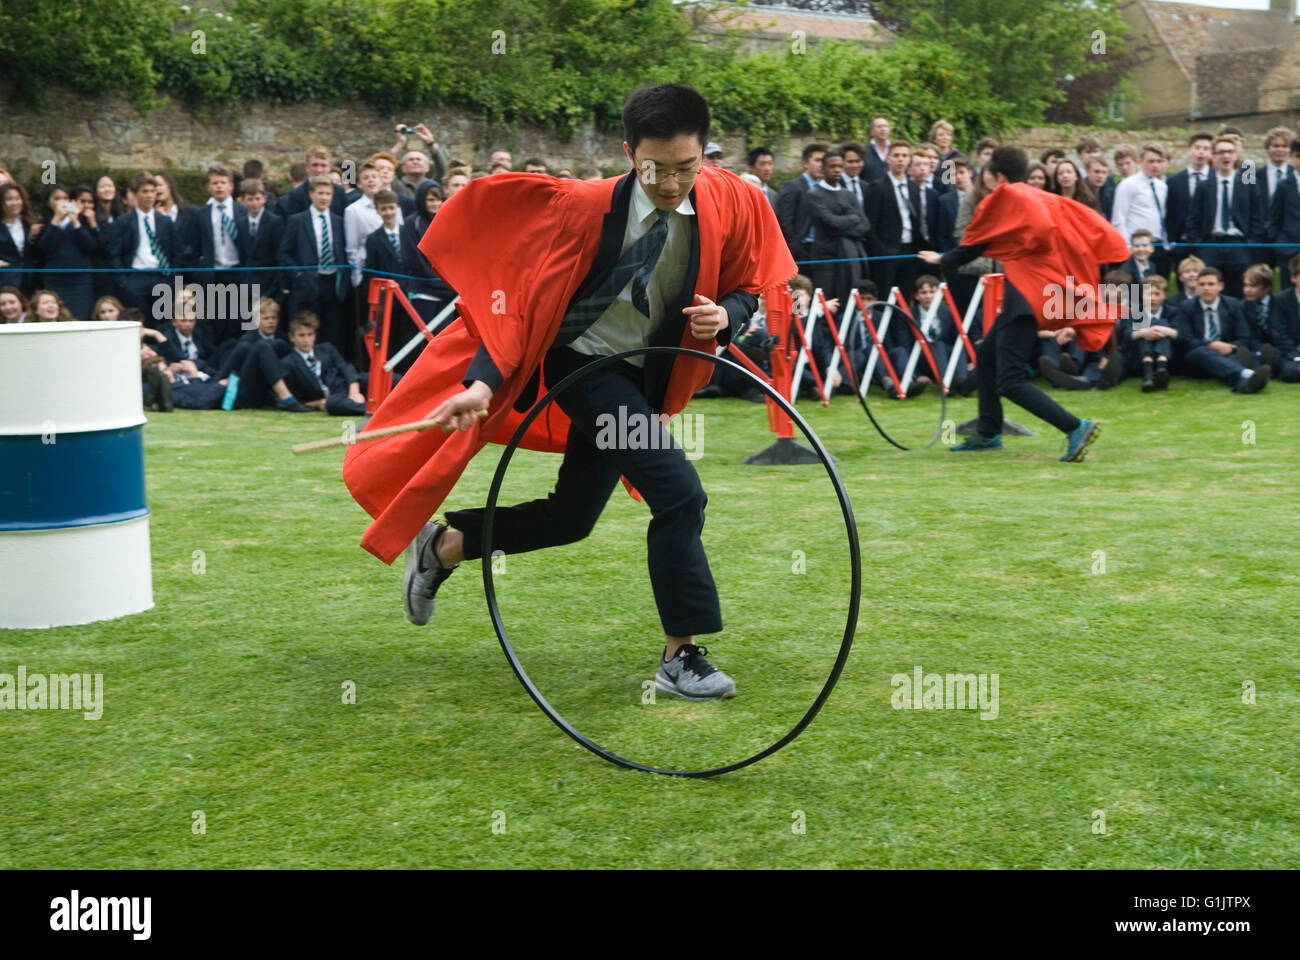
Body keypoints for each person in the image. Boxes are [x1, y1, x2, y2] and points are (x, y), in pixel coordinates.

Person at [342, 82, 795, 702]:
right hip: (582, 367)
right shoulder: (581, 210)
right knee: (680, 492)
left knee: (571, 518)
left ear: (705, 155)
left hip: (644, 374)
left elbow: (750, 280)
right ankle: (681, 655)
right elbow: (517, 309)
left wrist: (731, 314)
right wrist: (481, 383)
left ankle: (445, 546)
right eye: (654, 169)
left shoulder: (730, 197)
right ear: (628, 151)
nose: (670, 184)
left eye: (686, 168)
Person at [919, 145, 1130, 461]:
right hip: (1034, 293)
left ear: (998, 175)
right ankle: (989, 432)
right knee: (988, 356)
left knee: (1010, 380)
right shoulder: (1038, 195)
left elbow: (979, 240)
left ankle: (1075, 427)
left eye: (987, 174)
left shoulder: (1007, 197)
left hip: (1026, 297)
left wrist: (943, 258)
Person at [1186, 136, 1266, 298]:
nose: (1226, 156)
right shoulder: (1204, 185)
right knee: (1209, 291)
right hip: (1210, 246)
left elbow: (1257, 216)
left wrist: (1250, 243)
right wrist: (1199, 244)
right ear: (1213, 156)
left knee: (1240, 292)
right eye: (1221, 152)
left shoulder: (1248, 183)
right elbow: (1193, 218)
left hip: (1239, 245)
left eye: (1230, 152)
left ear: (1236, 156)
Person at [279, 175, 350, 355]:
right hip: (307, 284)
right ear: (311, 194)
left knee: (333, 332)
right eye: (320, 193)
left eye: (328, 194)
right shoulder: (297, 220)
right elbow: (284, 253)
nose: (324, 197)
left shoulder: (339, 221)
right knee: (308, 330)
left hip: (333, 283)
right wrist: (298, 275)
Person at [1176, 267, 1269, 393]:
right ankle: (1246, 373)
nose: (1206, 288)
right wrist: (1212, 345)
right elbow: (1185, 340)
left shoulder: (1232, 304)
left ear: (1220, 286)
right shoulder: (1186, 307)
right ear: (1197, 287)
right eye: (1202, 284)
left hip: (1227, 353)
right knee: (1204, 351)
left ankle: (1243, 385)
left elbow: (1244, 336)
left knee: (1239, 355)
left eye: (1211, 284)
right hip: (1197, 358)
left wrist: (1228, 347)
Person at [806, 149, 869, 310]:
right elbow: (830, 222)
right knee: (827, 304)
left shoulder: (849, 195)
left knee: (849, 303)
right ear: (823, 168)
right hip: (826, 260)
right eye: (832, 166)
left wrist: (843, 227)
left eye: (840, 166)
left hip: (850, 258)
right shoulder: (814, 194)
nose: (837, 170)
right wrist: (853, 219)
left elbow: (864, 226)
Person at [110, 172, 177, 323]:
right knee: (137, 320)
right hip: (135, 276)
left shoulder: (165, 221)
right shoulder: (123, 222)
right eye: (144, 191)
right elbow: (114, 253)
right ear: (135, 194)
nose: (149, 196)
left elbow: (175, 250)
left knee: (164, 321)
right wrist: (122, 281)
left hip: (161, 275)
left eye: (152, 191)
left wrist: (173, 277)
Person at [865, 139, 925, 303]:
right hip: (887, 252)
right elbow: (871, 224)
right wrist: (881, 251)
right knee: (886, 296)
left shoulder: (914, 187)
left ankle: (902, 328)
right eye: (896, 155)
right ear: (888, 158)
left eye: (904, 155)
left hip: (909, 250)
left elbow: (917, 220)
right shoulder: (877, 187)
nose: (900, 159)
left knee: (905, 297)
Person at [281, 310, 369, 415]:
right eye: (301, 335)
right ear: (292, 337)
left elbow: (346, 367)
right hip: (332, 400)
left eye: (310, 335)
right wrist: (317, 403)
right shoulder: (287, 363)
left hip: (345, 387)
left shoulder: (327, 349)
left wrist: (354, 390)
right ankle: (373, 411)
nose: (306, 340)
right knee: (331, 404)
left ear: (315, 335)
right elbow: (295, 399)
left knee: (373, 378)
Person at [34, 183, 98, 320]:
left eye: (65, 198)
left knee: (81, 318)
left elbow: (91, 247)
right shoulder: (46, 224)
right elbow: (45, 247)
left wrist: (75, 222)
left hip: (80, 281)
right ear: (48, 203)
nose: (61, 202)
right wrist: (56, 220)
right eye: (57, 198)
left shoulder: (81, 220)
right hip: (55, 281)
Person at [1110, 142, 1171, 280]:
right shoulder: (1128, 185)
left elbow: (1161, 216)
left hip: (1157, 245)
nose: (1155, 165)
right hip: (1136, 247)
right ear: (1140, 162)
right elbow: (1119, 219)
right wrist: (1128, 247)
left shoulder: (1162, 186)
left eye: (1158, 161)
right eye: (1150, 161)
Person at [1117, 275, 1178, 391]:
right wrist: (1144, 333)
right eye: (1149, 294)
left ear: (1164, 295)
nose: (1153, 298)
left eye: (1157, 294)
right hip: (1138, 359)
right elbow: (1125, 334)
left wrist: (1164, 330)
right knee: (1144, 332)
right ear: (1142, 296)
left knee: (1162, 326)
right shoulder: (1133, 312)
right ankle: (1148, 373)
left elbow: (1179, 334)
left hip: (1169, 360)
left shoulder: (1173, 312)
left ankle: (1161, 367)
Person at [1239, 262, 1297, 382]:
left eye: (1253, 286)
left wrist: (1294, 355)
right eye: (1245, 285)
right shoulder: (1242, 306)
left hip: (1281, 351)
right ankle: (1261, 370)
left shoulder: (1280, 303)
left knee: (1290, 371)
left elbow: (1282, 334)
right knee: (1252, 357)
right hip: (1255, 350)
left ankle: (1270, 369)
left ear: (1267, 287)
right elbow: (1247, 335)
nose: (1247, 290)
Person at [776, 142, 828, 263]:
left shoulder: (827, 188)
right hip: (801, 250)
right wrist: (796, 248)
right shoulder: (792, 186)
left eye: (824, 161)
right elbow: (785, 221)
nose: (822, 165)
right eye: (817, 160)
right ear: (805, 163)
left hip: (823, 251)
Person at [1166, 132, 1214, 263]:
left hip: (1208, 243)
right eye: (1197, 148)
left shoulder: (1216, 179)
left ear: (1212, 154)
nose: (1201, 152)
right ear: (1188, 151)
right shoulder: (1173, 181)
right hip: (1181, 243)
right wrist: (1172, 240)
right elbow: (1169, 214)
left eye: (1206, 149)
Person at [1269, 136, 1300, 291]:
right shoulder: (1283, 186)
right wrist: (1279, 244)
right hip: (1288, 251)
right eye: (1298, 156)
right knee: (1288, 294)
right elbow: (1274, 218)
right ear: (1292, 157)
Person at [0, 181, 37, 295]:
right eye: (9, 199)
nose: (14, 203)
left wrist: (32, 238)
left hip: (30, 282)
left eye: (17, 198)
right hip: (5, 281)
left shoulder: (29, 223)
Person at [863, 118, 891, 183]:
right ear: (871, 132)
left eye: (885, 126)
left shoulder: (895, 151)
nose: (883, 129)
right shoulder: (864, 152)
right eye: (879, 126)